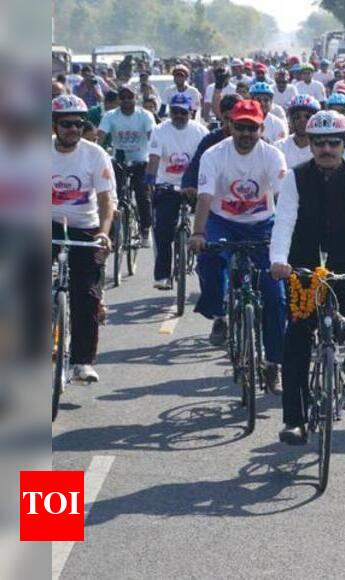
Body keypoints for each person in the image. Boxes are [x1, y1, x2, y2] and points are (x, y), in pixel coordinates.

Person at [270, 111, 345, 444]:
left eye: (334, 143)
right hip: (305, 264)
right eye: (320, 143)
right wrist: (279, 260)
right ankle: (294, 420)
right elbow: (284, 223)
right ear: (310, 145)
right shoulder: (295, 178)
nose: (327, 149)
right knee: (296, 339)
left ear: (343, 144)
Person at [189, 100, 287, 393]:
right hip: (223, 222)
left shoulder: (272, 155)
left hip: (262, 224)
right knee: (208, 261)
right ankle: (219, 314)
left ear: (262, 128)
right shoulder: (213, 154)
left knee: (275, 295)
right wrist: (198, 233)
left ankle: (274, 364)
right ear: (230, 125)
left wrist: (287, 239)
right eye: (240, 127)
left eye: (251, 128)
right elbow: (205, 197)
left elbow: (283, 199)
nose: (245, 133)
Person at [51, 95, 116, 384]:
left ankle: (82, 363)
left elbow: (105, 200)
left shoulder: (95, 154)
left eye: (79, 124)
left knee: (86, 297)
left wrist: (103, 232)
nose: (74, 129)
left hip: (85, 228)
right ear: (54, 126)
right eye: (67, 124)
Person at [146, 94, 208, 290]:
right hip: (168, 185)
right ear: (170, 112)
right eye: (175, 112)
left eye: (183, 112)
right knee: (163, 230)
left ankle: (207, 274)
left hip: (195, 186)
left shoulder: (201, 131)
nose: (179, 116)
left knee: (210, 228)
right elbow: (154, 159)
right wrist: (150, 182)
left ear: (190, 112)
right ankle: (163, 275)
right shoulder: (159, 130)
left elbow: (208, 161)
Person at [98, 86, 157, 245]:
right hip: (119, 161)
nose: (126, 100)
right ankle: (112, 232)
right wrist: (96, 154)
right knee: (113, 196)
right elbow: (100, 137)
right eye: (122, 97)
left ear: (135, 98)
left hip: (141, 161)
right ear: (119, 100)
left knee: (142, 195)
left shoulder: (145, 115)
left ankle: (145, 230)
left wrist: (154, 159)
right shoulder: (110, 116)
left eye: (129, 97)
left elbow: (153, 138)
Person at [274, 94, 321, 168]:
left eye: (307, 117)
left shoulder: (322, 148)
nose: (302, 120)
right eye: (297, 117)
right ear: (290, 120)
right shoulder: (278, 148)